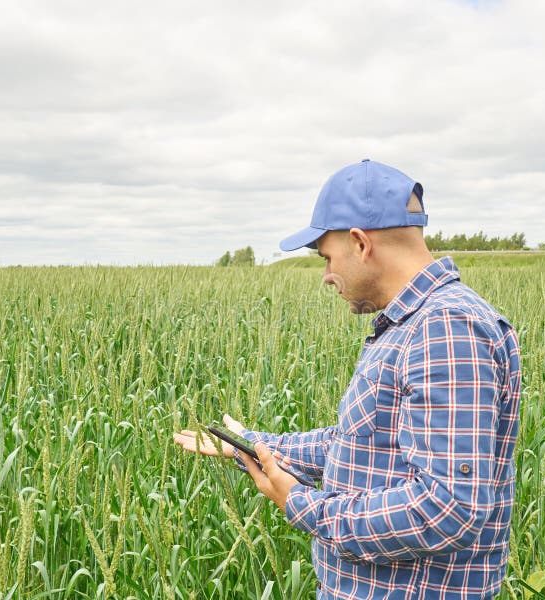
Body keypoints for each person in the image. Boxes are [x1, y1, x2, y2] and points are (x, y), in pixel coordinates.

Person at [174, 159, 521, 599]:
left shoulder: (445, 327)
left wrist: (303, 505)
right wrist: (256, 445)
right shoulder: (415, 324)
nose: (326, 277)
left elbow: (446, 507)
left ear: (359, 243)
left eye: (326, 258)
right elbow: (360, 444)